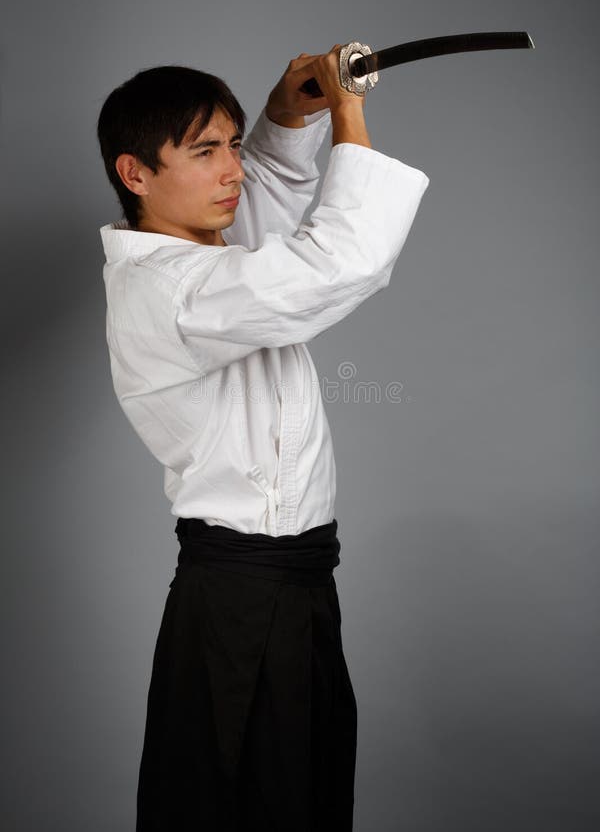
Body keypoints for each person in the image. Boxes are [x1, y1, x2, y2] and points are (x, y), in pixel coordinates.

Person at [96, 44, 430, 831]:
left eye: (233, 146)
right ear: (135, 173)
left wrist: (287, 113)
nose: (231, 171)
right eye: (204, 151)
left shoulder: (207, 254)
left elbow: (268, 196)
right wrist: (348, 111)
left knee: (299, 798)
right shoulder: (173, 288)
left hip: (296, 584)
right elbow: (337, 263)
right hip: (238, 599)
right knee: (241, 806)